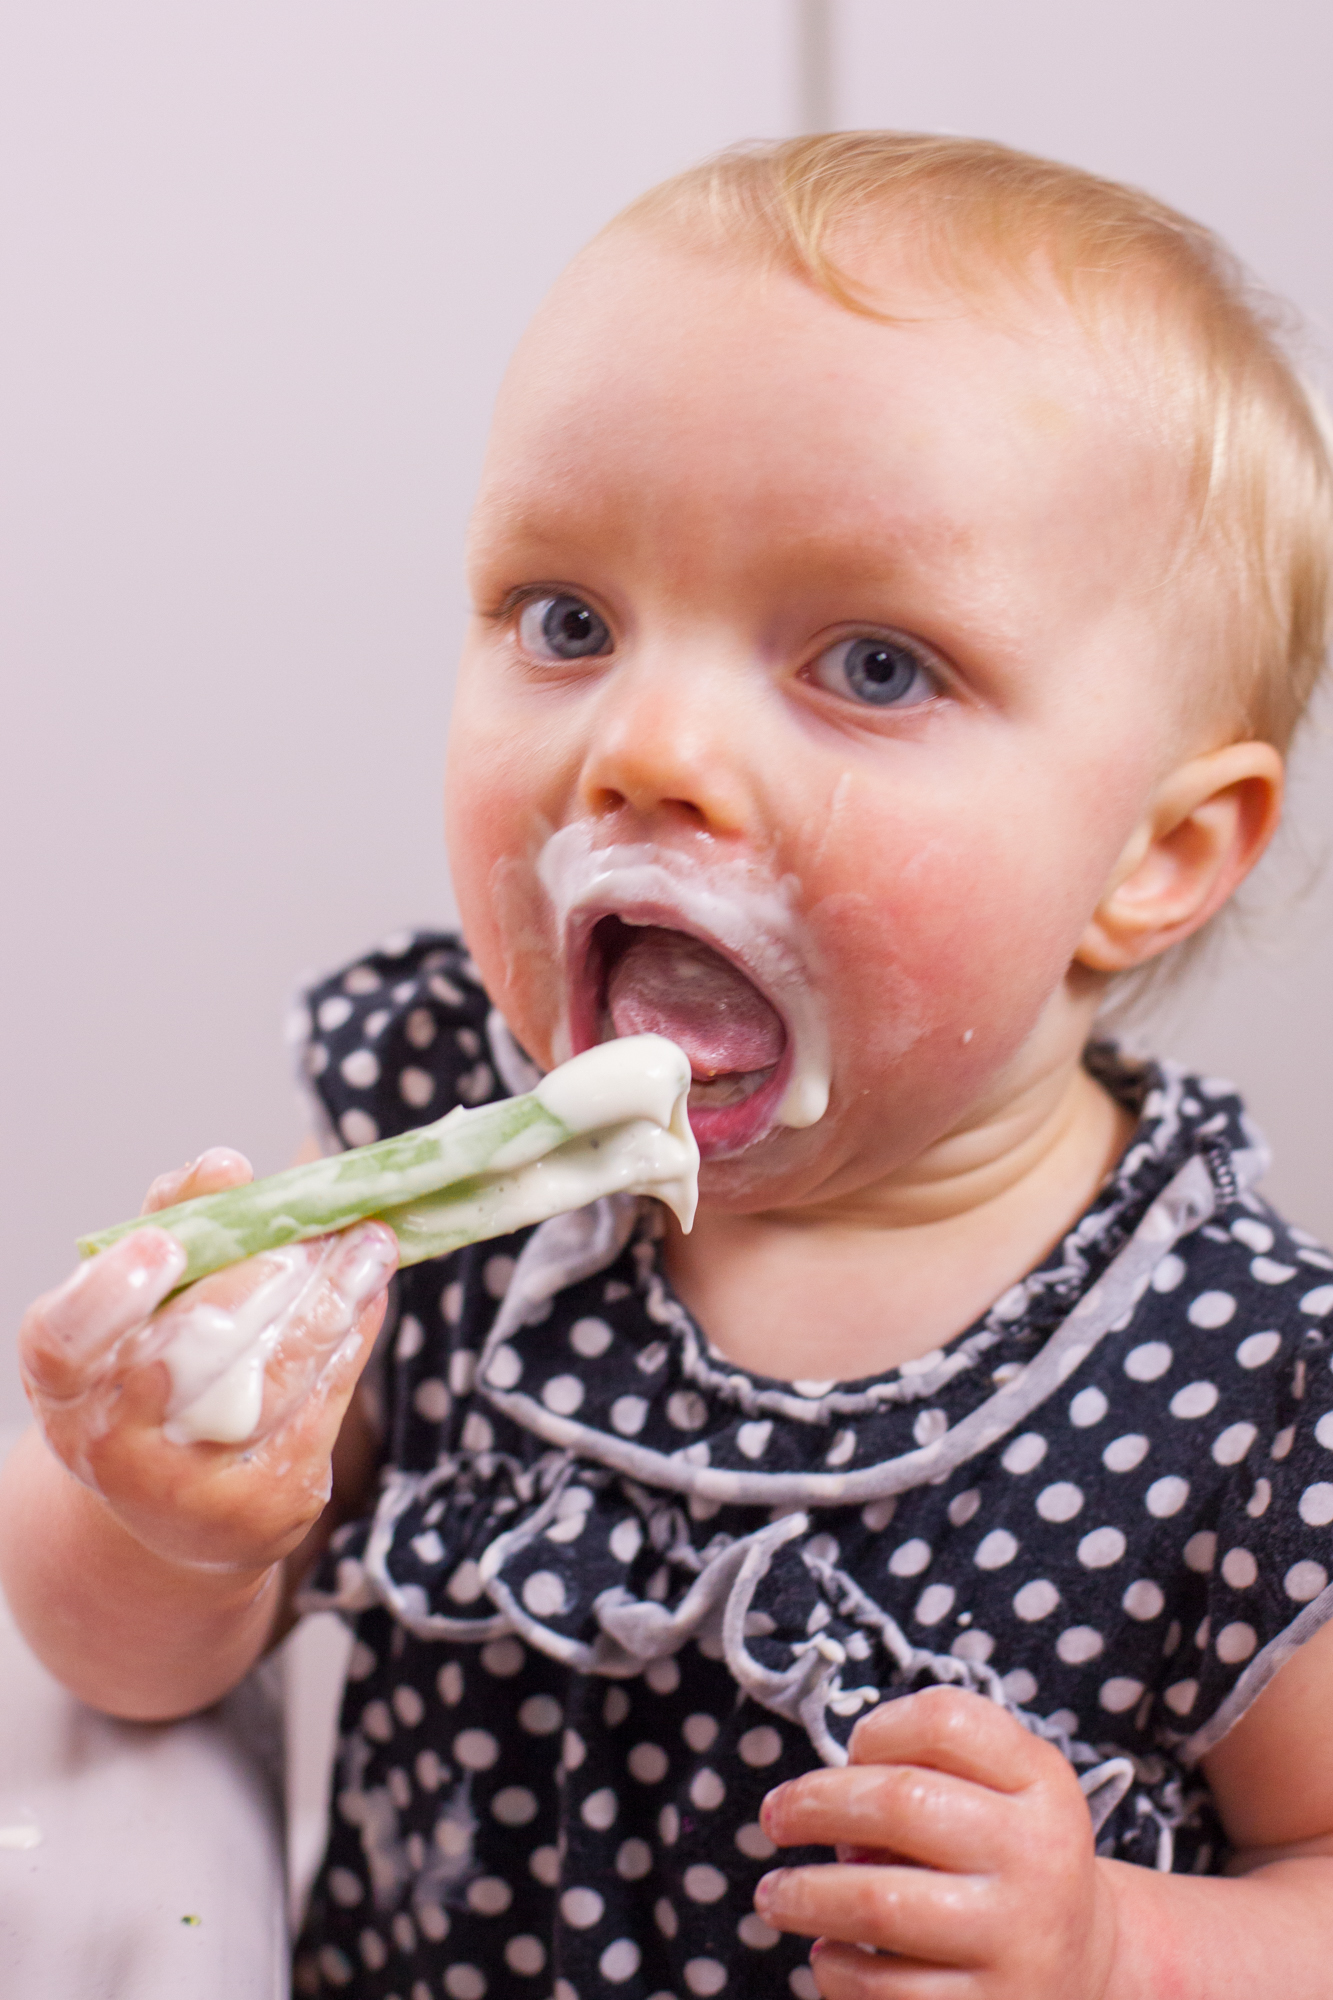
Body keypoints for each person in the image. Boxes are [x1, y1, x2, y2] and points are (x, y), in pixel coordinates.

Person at [5, 131, 1333, 1999]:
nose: (650, 745)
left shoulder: (1240, 1386)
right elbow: (125, 1670)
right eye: (568, 623)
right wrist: (154, 1509)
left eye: (870, 665)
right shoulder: (424, 1160)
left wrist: (1119, 1945)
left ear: (1153, 855)